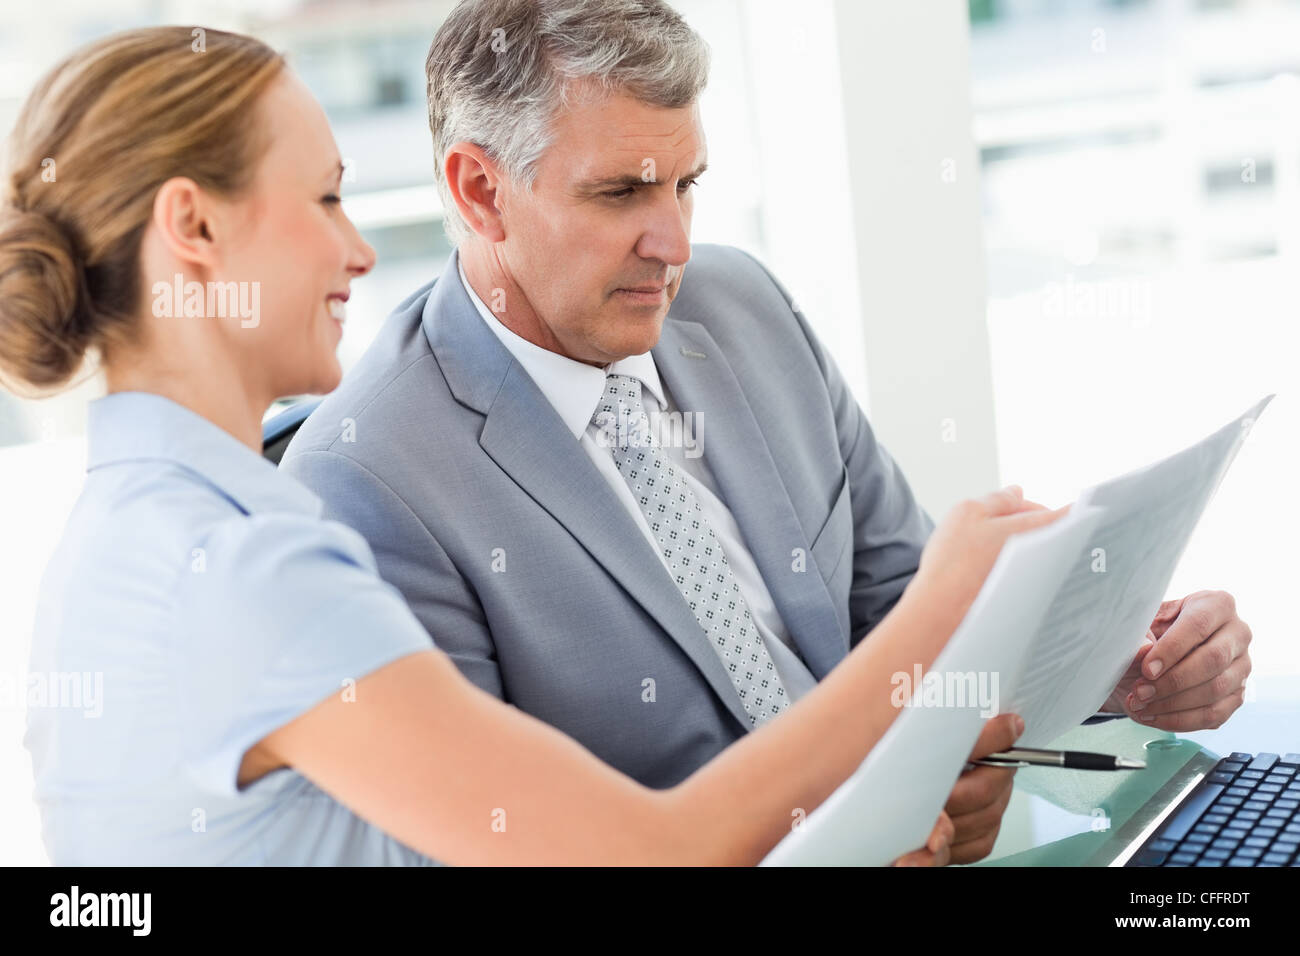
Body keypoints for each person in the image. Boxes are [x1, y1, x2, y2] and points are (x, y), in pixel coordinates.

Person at [0, 25, 1058, 866]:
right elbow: (654, 851)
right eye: (324, 197)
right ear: (194, 231)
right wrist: (934, 620)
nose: (360, 250)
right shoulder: (249, 562)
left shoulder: (140, 531)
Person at [284, 0, 1253, 866]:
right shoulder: (367, 478)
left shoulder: (740, 304)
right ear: (478, 191)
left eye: (686, 184)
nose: (674, 245)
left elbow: (905, 613)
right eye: (621, 193)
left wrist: (1110, 665)